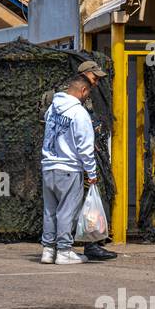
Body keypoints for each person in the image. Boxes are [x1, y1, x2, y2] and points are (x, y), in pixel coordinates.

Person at [40, 72, 98, 264]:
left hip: (48, 165)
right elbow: (85, 146)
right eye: (87, 92)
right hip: (69, 168)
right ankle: (64, 251)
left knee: (50, 210)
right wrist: (92, 172)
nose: (87, 96)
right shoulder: (79, 113)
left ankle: (48, 250)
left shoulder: (52, 110)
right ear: (82, 90)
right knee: (66, 210)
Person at [73, 60, 118, 261]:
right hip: (74, 158)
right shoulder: (70, 95)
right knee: (74, 202)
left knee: (89, 200)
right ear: (84, 75)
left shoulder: (86, 96)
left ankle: (92, 243)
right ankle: (68, 246)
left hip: (87, 154)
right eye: (94, 77)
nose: (97, 82)